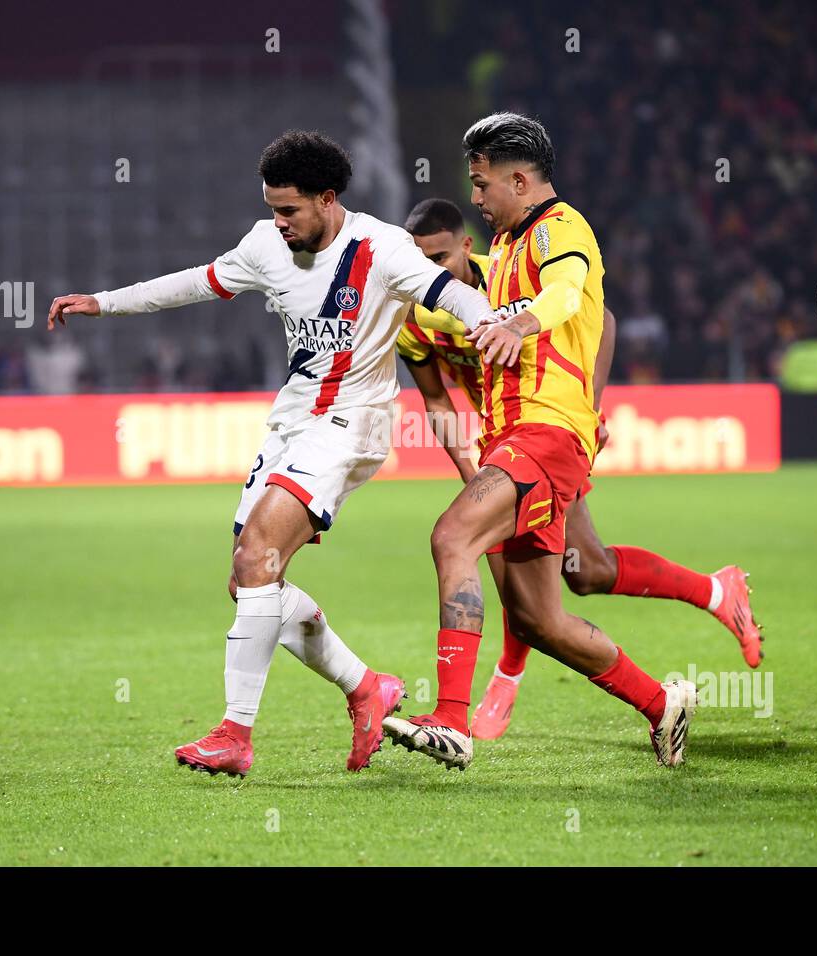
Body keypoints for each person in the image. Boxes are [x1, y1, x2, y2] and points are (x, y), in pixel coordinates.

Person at [46, 131, 501, 777]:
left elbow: (446, 293)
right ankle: (368, 688)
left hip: (352, 422)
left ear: (327, 198)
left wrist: (491, 321)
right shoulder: (266, 245)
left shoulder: (381, 247)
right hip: (292, 421)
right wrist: (104, 302)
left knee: (260, 551)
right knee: (249, 578)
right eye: (271, 209)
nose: (278, 222)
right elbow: (194, 283)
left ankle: (236, 734)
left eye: (289, 210)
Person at [382, 113, 698, 771]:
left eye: (482, 182)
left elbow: (568, 293)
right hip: (514, 441)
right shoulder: (495, 261)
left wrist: (524, 325)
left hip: (547, 433)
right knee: (538, 621)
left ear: (519, 180)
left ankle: (450, 721)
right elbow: (438, 386)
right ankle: (661, 705)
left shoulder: (559, 228)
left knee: (451, 538)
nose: (476, 195)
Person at [396, 197, 761, 741]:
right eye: (420, 262)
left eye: (441, 258)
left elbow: (601, 318)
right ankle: (708, 604)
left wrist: (588, 407)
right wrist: (469, 468)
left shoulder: (505, 274)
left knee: (472, 543)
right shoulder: (416, 315)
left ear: (466, 246)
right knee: (583, 572)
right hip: (502, 441)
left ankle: (492, 688)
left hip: (547, 427)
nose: (432, 272)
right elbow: (438, 402)